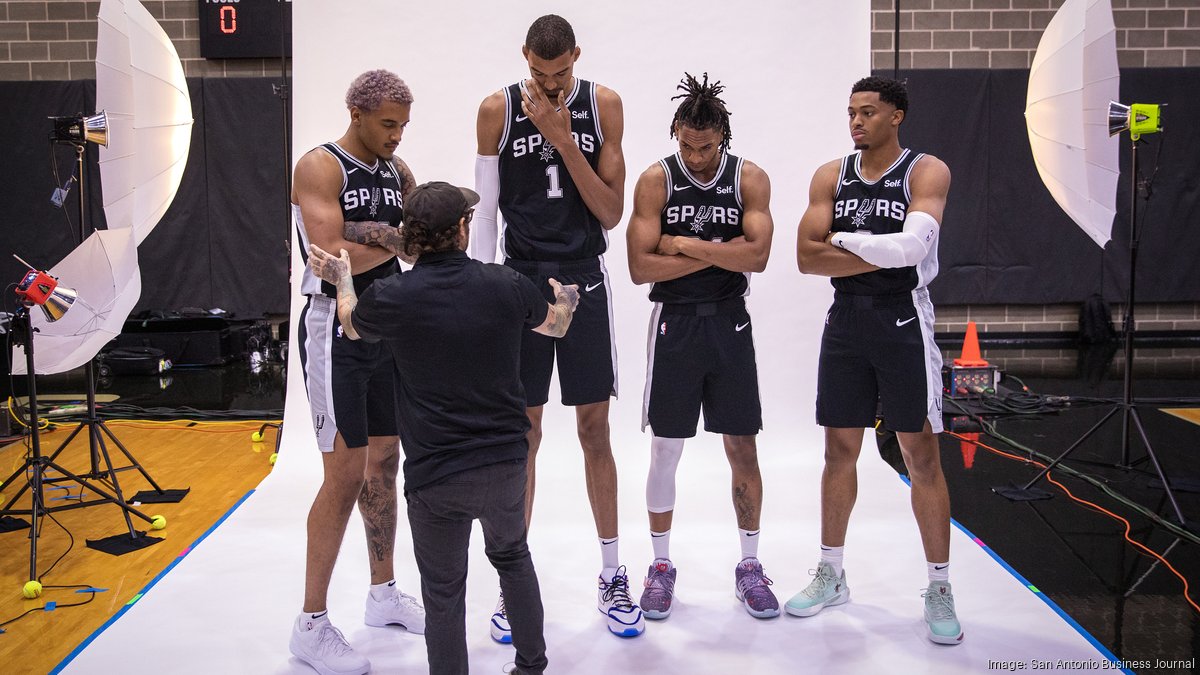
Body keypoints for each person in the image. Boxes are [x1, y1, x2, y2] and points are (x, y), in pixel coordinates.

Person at [309, 180, 576, 675]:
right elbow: (556, 325)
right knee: (513, 558)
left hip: (437, 480)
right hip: (504, 467)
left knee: (444, 597)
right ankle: (531, 667)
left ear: (411, 237)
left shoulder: (392, 295)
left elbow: (348, 323)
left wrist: (344, 277)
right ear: (460, 230)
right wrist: (568, 301)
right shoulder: (506, 282)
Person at [471, 14, 643, 639]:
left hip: (582, 275)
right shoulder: (496, 108)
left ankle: (611, 573)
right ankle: (511, 581)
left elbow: (611, 211)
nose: (549, 86)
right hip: (519, 278)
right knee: (524, 431)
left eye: (561, 73)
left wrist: (563, 138)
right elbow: (486, 212)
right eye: (540, 76)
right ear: (525, 59)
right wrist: (482, 287)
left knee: (594, 426)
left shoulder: (604, 104)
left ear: (577, 56)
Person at [791, 76, 962, 645]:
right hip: (846, 322)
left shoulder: (925, 170)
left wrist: (844, 240)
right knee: (838, 449)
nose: (856, 122)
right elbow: (806, 260)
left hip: (902, 321)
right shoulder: (829, 175)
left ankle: (940, 585)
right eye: (850, 113)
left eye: (868, 112)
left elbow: (910, 252)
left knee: (919, 452)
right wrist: (873, 247)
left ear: (897, 117)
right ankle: (832, 573)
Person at [626, 73, 778, 621]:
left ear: (724, 138)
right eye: (686, 145)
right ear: (675, 133)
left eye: (706, 146)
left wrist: (684, 243)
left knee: (742, 446)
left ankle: (751, 566)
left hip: (730, 322)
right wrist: (723, 249)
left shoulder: (749, 179)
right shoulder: (654, 180)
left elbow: (759, 257)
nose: (695, 156)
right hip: (675, 323)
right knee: (666, 448)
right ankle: (661, 566)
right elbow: (641, 267)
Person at [289, 69, 425, 675]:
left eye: (403, 124)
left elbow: (421, 244)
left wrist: (380, 239)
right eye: (388, 124)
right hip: (331, 330)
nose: (397, 135)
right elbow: (328, 261)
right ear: (358, 113)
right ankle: (310, 624)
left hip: (385, 329)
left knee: (386, 460)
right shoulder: (321, 167)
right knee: (343, 472)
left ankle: (382, 592)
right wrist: (393, 240)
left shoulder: (398, 174)